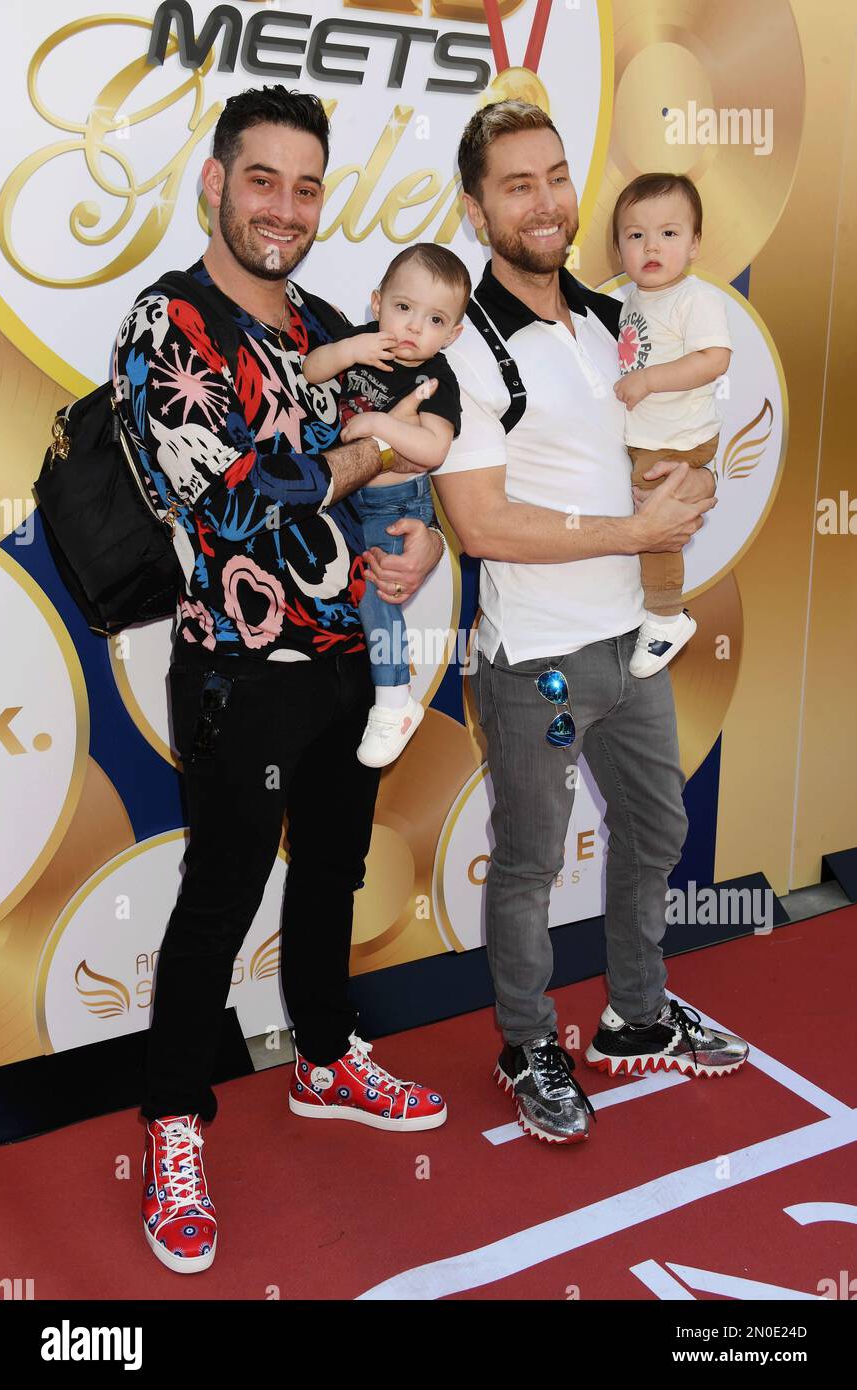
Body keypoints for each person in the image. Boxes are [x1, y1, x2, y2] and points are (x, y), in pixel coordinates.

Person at [112, 85, 448, 1275]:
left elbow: (405, 456)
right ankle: (170, 1124)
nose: (287, 207)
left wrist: (421, 543)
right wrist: (368, 458)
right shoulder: (169, 324)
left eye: (307, 186)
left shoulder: (323, 316)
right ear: (213, 182)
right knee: (221, 894)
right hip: (238, 670)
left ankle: (323, 1055)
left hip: (349, 656)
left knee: (335, 871)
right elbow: (246, 493)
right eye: (264, 179)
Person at [434, 100, 749, 1147]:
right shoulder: (464, 348)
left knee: (655, 829)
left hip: (630, 637)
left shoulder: (615, 319)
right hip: (535, 661)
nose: (544, 201)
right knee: (527, 863)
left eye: (555, 176)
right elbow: (479, 527)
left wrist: (672, 497)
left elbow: (656, 431)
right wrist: (632, 525)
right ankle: (527, 1042)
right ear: (477, 210)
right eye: (515, 184)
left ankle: (632, 1014)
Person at [303, 244, 469, 766]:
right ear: (377, 302)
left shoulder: (435, 381)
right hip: (342, 499)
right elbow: (310, 370)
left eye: (435, 319)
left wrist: (379, 426)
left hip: (393, 504)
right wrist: (348, 351)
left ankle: (395, 699)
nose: (414, 327)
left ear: (453, 334)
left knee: (379, 596)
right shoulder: (360, 342)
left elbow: (433, 448)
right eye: (403, 308)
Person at [613, 172, 733, 676]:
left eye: (669, 233)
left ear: (695, 243)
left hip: (678, 441)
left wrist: (650, 380)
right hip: (651, 438)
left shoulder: (694, 299)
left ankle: (665, 616)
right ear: (619, 248)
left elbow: (714, 359)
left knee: (654, 515)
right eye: (636, 235)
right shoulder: (635, 299)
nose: (651, 246)